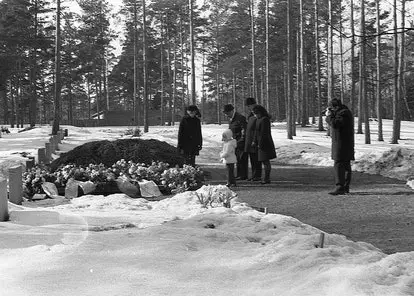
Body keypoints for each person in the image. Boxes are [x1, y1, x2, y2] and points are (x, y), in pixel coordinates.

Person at [325, 98, 355, 195]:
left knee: (339, 165)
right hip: (343, 143)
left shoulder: (344, 113)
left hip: (342, 144)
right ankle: (344, 187)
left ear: (336, 107)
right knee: (345, 165)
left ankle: (340, 186)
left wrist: (328, 117)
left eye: (332, 108)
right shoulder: (344, 112)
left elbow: (335, 124)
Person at [223, 104, 248, 180]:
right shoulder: (231, 119)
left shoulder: (240, 118)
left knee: (242, 158)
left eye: (228, 113)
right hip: (234, 141)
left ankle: (243, 175)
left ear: (232, 111)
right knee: (237, 159)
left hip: (240, 141)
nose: (227, 115)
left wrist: (241, 140)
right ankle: (239, 174)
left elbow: (244, 129)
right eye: (225, 114)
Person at [252, 104, 276, 184]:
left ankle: (267, 178)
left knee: (266, 161)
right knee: (263, 161)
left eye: (256, 114)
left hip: (265, 143)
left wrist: (260, 143)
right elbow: (256, 132)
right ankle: (265, 178)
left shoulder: (265, 120)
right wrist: (254, 141)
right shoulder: (259, 120)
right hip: (260, 143)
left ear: (259, 113)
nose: (255, 115)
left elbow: (263, 133)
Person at [244, 98, 261, 181]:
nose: (248, 107)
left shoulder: (258, 112)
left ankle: (257, 175)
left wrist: (255, 140)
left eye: (248, 106)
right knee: (252, 158)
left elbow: (258, 128)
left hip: (255, 139)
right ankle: (254, 175)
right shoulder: (251, 114)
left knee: (256, 159)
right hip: (250, 139)